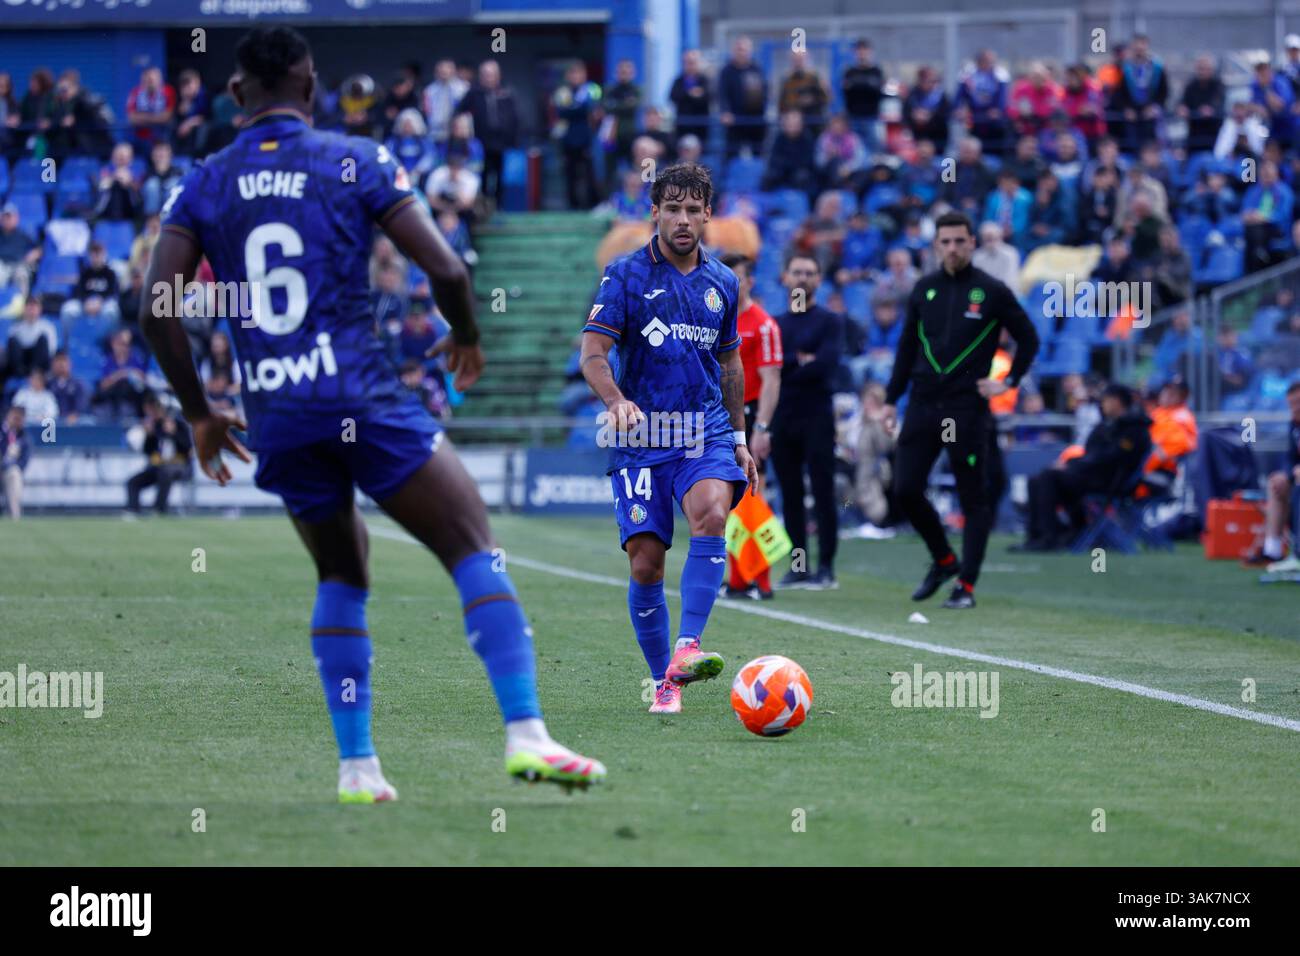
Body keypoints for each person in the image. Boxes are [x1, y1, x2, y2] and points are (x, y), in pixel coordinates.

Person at [141, 26, 605, 799]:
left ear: (234, 96)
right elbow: (448, 267)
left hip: (278, 416)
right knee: (472, 546)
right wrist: (464, 335)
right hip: (360, 394)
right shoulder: (352, 158)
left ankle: (358, 768)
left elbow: (158, 307)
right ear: (312, 87)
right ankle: (527, 735)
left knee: (341, 572)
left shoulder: (202, 183)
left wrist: (198, 413)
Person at [579, 162, 756, 716]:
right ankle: (664, 683)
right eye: (672, 209)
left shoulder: (723, 282)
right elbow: (593, 354)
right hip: (641, 435)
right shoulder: (625, 274)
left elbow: (729, 364)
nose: (683, 220)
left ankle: (689, 646)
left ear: (708, 215)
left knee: (711, 511)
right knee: (646, 564)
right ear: (654, 212)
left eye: (693, 210)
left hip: (704, 430)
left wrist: (742, 436)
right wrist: (616, 401)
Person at [883, 211, 1040, 609]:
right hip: (921, 402)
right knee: (904, 489)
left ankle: (966, 585)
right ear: (936, 246)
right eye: (945, 242)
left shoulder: (992, 291)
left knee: (974, 498)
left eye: (959, 241)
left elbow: (1029, 338)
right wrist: (889, 399)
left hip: (966, 407)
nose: (952, 248)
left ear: (972, 243)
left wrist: (1008, 382)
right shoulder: (923, 289)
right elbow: (905, 349)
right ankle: (943, 558)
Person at [770, 253, 843, 590]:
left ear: (819, 279)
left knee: (824, 491)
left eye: (809, 272)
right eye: (796, 272)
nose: (802, 278)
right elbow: (770, 370)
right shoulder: (775, 324)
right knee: (791, 494)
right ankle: (799, 566)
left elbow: (827, 364)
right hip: (783, 416)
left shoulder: (830, 321)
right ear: (785, 277)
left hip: (817, 415)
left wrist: (790, 366)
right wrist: (798, 362)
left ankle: (826, 566)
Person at [1014, 384, 1153, 552]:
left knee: (1049, 478)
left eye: (1107, 399)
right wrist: (1072, 465)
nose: (1103, 404)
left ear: (1117, 402)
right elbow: (1092, 454)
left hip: (1111, 482)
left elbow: (1111, 458)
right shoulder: (1106, 425)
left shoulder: (1134, 429)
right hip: (1091, 476)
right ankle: (1037, 536)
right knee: (1036, 480)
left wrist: (1073, 466)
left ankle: (1048, 537)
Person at [720, 253, 783, 600]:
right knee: (726, 499)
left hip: (750, 415)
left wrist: (761, 427)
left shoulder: (763, 324)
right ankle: (738, 577)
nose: (732, 284)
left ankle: (763, 580)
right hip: (722, 417)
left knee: (755, 496)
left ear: (750, 281)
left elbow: (771, 379)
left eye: (738, 277)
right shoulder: (715, 321)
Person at [1243, 381, 1300, 568]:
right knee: (1275, 482)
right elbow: (1290, 458)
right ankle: (1273, 551)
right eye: (1292, 404)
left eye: (1299, 402)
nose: (1295, 408)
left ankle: (1297, 553)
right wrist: (1286, 475)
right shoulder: (1294, 425)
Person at [124, 394, 193, 515]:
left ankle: (159, 509)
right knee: (133, 482)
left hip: (180, 466)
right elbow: (148, 452)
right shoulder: (156, 427)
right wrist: (149, 436)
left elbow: (187, 448)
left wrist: (174, 433)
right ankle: (133, 509)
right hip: (158, 466)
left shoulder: (180, 425)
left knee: (165, 472)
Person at [1, 404, 29, 520]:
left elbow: (23, 461)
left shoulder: (23, 437)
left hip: (8, 470)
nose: (17, 421)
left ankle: (14, 516)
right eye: (15, 418)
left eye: (20, 419)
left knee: (15, 474)